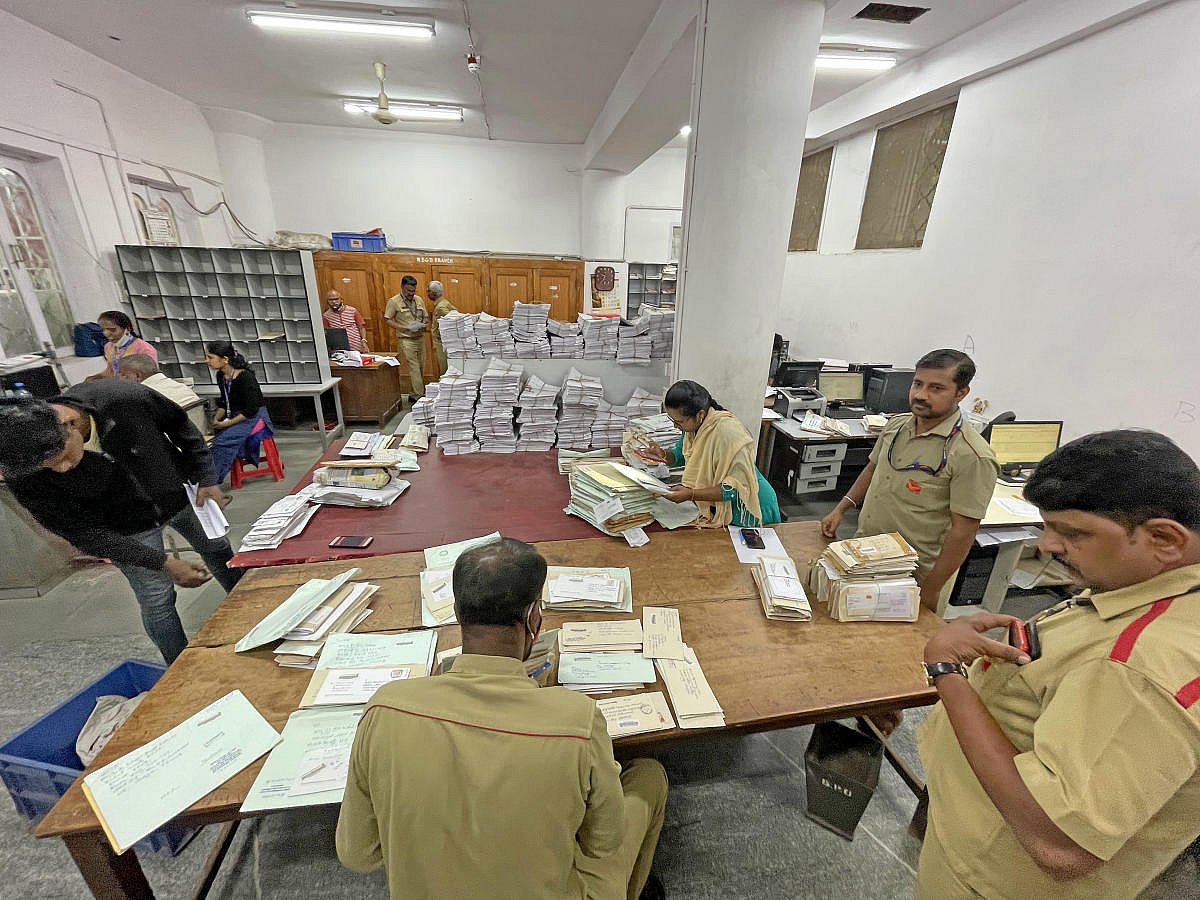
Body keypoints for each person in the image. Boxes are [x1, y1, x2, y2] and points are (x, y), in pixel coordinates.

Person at [916, 429, 1200, 899]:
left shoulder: (1140, 667)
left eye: (1073, 532)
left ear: (1165, 538)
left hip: (993, 878)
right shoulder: (1150, 586)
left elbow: (1060, 844)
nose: (1047, 545)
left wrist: (947, 672)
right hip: (981, 831)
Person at [337, 537, 668, 900]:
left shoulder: (385, 709)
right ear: (533, 620)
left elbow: (358, 854)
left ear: (458, 614)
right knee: (649, 777)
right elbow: (602, 844)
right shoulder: (577, 721)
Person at [0, 381, 243, 663]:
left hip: (178, 497)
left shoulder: (123, 399)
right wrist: (162, 563)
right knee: (156, 599)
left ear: (69, 423)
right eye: (50, 468)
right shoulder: (22, 467)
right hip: (124, 528)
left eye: (61, 459)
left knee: (219, 551)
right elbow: (85, 534)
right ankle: (181, 669)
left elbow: (181, 426)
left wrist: (205, 475)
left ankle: (252, 610)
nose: (63, 469)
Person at [821, 350, 999, 611]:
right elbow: (873, 469)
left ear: (961, 393)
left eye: (936, 388)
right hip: (864, 551)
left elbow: (963, 533)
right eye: (918, 384)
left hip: (910, 574)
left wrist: (931, 589)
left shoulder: (972, 456)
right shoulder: (896, 426)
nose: (920, 395)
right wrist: (841, 508)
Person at [642, 379, 780, 527]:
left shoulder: (728, 433)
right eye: (672, 420)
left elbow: (736, 489)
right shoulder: (694, 428)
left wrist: (691, 494)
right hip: (721, 507)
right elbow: (679, 457)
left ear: (700, 414)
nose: (676, 426)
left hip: (749, 508)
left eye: (679, 421)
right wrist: (662, 454)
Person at [204, 341, 273, 484]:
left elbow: (251, 409)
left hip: (255, 416)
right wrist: (216, 419)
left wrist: (228, 423)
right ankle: (207, 480)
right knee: (211, 441)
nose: (207, 361)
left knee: (222, 443)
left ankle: (211, 484)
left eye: (210, 357)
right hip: (238, 415)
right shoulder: (221, 376)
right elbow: (224, 402)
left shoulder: (245, 377)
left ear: (225, 359)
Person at [382, 274, 428, 399]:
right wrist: (404, 328)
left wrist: (424, 323)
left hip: (419, 337)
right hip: (406, 339)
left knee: (421, 367)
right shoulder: (394, 301)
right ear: (402, 287)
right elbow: (387, 319)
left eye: (413, 291)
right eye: (408, 290)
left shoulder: (418, 299)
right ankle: (420, 396)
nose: (411, 293)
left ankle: (413, 394)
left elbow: (425, 315)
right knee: (414, 368)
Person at [94, 310, 157, 378]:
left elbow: (150, 376)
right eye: (103, 330)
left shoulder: (144, 348)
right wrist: (96, 377)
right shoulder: (108, 346)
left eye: (112, 329)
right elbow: (110, 371)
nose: (106, 334)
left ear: (127, 329)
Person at [427, 280, 459, 377]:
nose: (427, 293)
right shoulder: (444, 302)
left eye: (428, 291)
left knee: (444, 369)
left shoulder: (440, 307)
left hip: (442, 343)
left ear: (433, 293)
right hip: (446, 341)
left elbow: (456, 318)